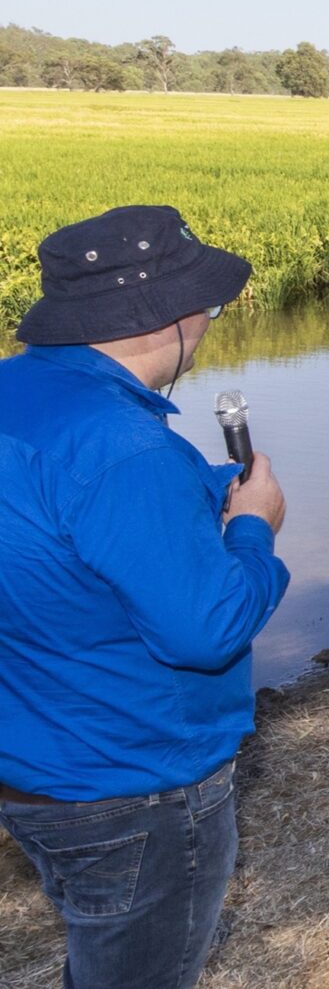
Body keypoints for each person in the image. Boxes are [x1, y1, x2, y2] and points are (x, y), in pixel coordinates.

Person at [0, 206, 290, 989]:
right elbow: (207, 629)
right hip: (136, 787)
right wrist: (254, 529)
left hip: (33, 767)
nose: (211, 322)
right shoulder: (123, 447)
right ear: (168, 316)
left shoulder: (14, 395)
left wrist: (191, 496)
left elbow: (56, 537)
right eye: (211, 305)